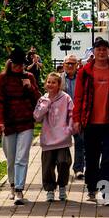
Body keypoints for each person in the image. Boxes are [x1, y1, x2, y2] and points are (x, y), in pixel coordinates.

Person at [71, 37, 109, 205]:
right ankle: (91, 187)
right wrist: (77, 119)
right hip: (90, 122)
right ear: (94, 52)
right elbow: (79, 96)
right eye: (99, 49)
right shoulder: (85, 71)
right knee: (92, 158)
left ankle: (107, 194)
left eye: (104, 49)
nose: (102, 52)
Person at [0, 48, 40, 205]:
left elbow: (38, 100)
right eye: (17, 65)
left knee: (22, 157)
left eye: (22, 65)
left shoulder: (29, 77)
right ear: (11, 64)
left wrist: (30, 87)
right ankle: (12, 185)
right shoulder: (2, 79)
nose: (20, 68)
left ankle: (19, 189)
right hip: (9, 123)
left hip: (26, 122)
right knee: (11, 157)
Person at [34, 72, 74, 202]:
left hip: (62, 138)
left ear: (59, 84)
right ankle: (50, 189)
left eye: (53, 82)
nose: (50, 84)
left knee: (64, 162)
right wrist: (45, 105)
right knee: (47, 165)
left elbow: (72, 114)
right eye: (48, 82)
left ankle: (62, 186)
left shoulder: (66, 98)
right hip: (48, 138)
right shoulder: (43, 99)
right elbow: (37, 117)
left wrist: (69, 129)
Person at [60, 54, 86, 178]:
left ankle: (78, 169)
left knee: (80, 142)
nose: (70, 65)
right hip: (63, 117)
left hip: (78, 116)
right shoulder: (59, 79)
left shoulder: (82, 78)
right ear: (63, 65)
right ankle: (63, 167)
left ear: (77, 65)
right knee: (62, 144)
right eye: (67, 63)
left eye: (72, 63)